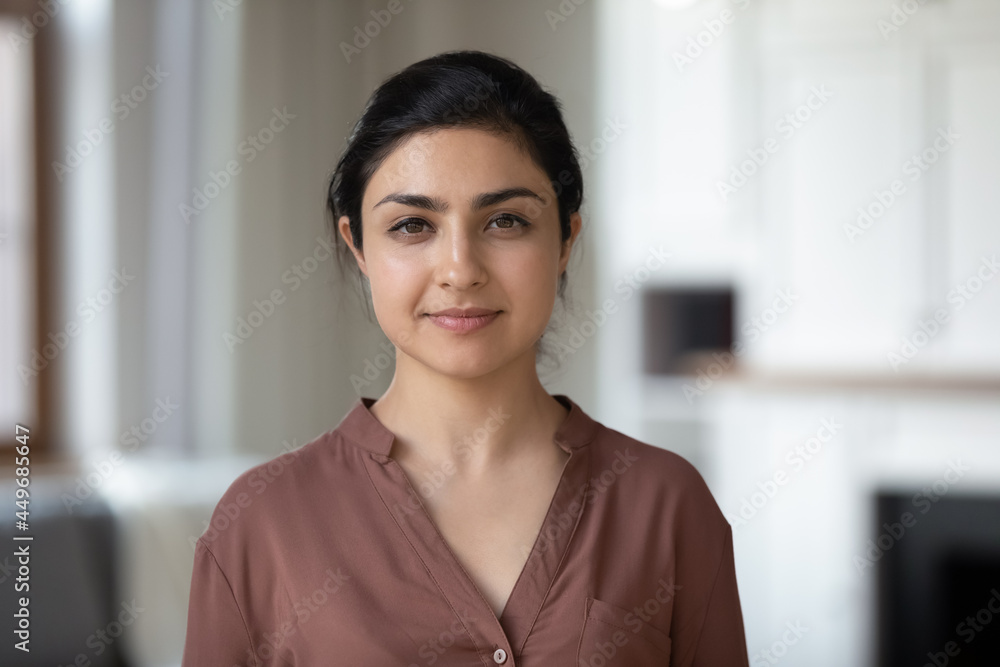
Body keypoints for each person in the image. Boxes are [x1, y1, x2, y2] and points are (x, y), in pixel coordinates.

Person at [181, 49, 750, 666]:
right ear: (358, 246)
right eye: (411, 226)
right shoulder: (261, 525)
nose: (460, 270)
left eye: (505, 221)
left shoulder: (666, 505)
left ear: (565, 240)